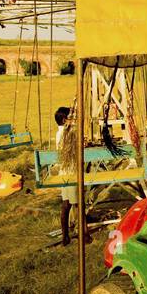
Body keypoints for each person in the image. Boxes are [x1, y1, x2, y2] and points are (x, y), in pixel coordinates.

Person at [54, 106, 92, 247]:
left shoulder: (60, 133)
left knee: (67, 204)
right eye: (72, 117)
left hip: (65, 172)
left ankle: (66, 235)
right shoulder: (68, 133)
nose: (74, 120)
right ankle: (84, 234)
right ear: (65, 120)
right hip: (71, 172)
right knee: (77, 204)